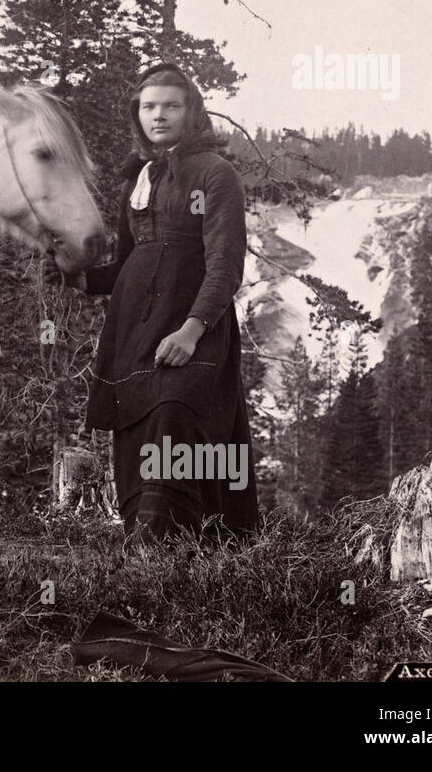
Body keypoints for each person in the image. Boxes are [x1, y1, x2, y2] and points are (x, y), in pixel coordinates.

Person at [46, 63, 259, 545]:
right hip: (134, 331)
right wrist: (77, 279)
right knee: (138, 430)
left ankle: (175, 552)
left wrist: (192, 329)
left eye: (171, 106)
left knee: (176, 416)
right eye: (149, 107)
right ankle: (148, 554)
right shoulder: (137, 179)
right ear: (137, 114)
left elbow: (224, 265)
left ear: (192, 112)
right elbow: (127, 264)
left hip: (192, 328)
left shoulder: (215, 174)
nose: (158, 115)